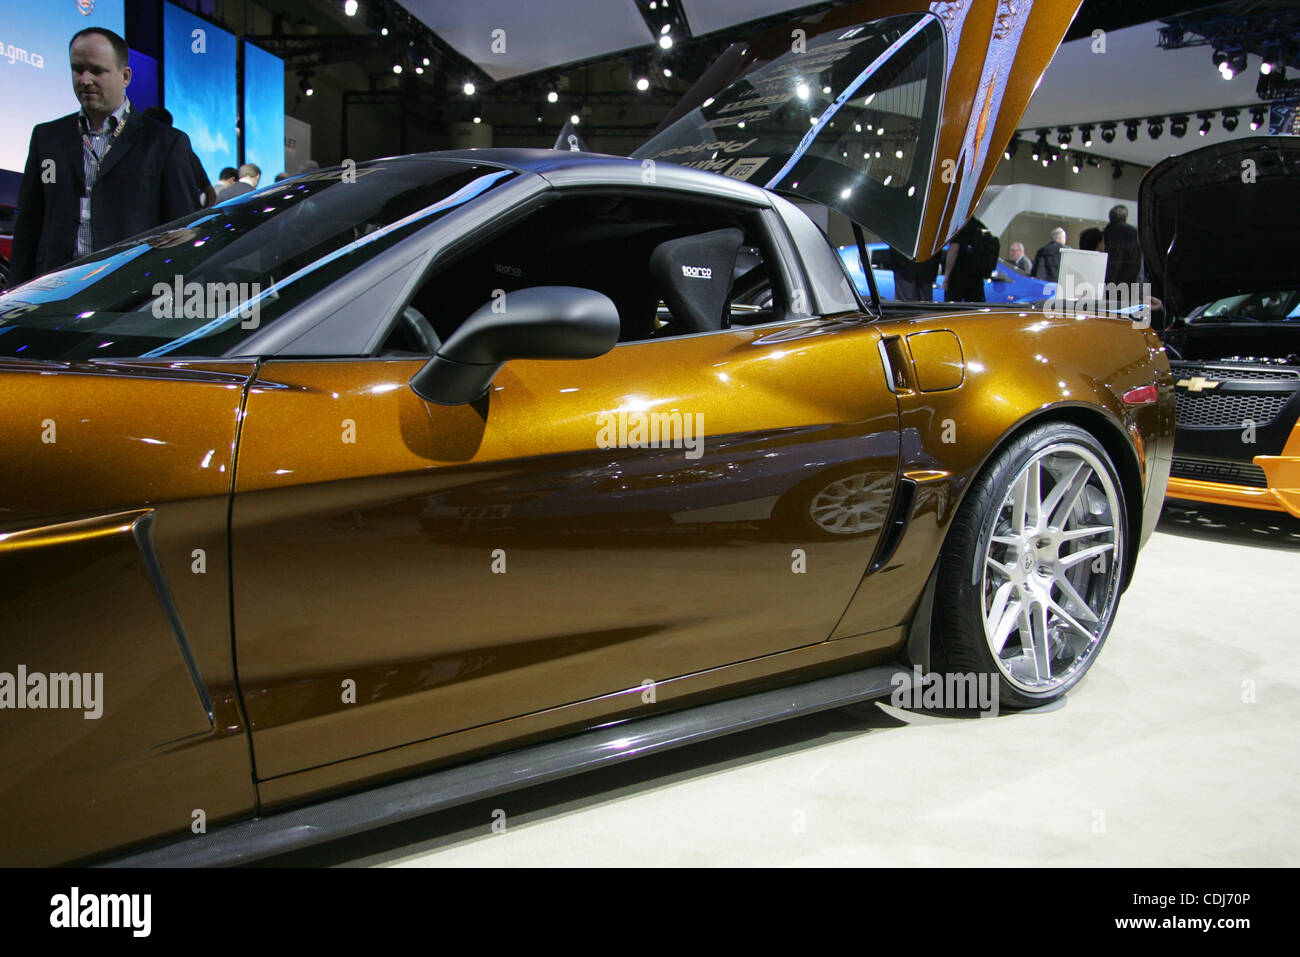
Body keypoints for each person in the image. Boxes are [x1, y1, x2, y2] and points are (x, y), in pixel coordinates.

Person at [9, 27, 201, 285]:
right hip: (54, 293)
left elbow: (182, 232)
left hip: (129, 296)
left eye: (97, 71)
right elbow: (29, 225)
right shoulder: (47, 138)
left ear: (125, 76)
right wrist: (16, 293)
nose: (85, 79)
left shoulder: (166, 144)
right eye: (77, 69)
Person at [143, 105, 216, 207]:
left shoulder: (138, 154)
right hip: (186, 219)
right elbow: (210, 193)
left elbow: (210, 193)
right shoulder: (186, 153)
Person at [943, 216, 989, 303]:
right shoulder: (979, 226)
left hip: (958, 277)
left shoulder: (959, 226)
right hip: (976, 278)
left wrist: (947, 276)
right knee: (974, 310)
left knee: (953, 310)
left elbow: (954, 250)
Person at [1102, 204, 1142, 285]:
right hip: (1130, 282)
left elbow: (1113, 263)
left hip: (1112, 283)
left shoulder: (1108, 232)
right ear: (1125, 218)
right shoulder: (1134, 233)